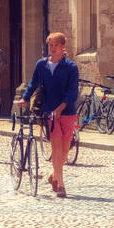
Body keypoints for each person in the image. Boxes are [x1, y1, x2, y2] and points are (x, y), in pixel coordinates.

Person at [19, 32, 80, 198]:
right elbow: (33, 84)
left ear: (62, 47)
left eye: (55, 45)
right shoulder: (42, 65)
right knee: (56, 146)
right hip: (49, 112)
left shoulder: (71, 67)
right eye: (50, 45)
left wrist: (60, 109)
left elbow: (72, 92)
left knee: (65, 150)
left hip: (66, 112)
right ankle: (60, 184)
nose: (52, 48)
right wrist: (24, 98)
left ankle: (54, 175)